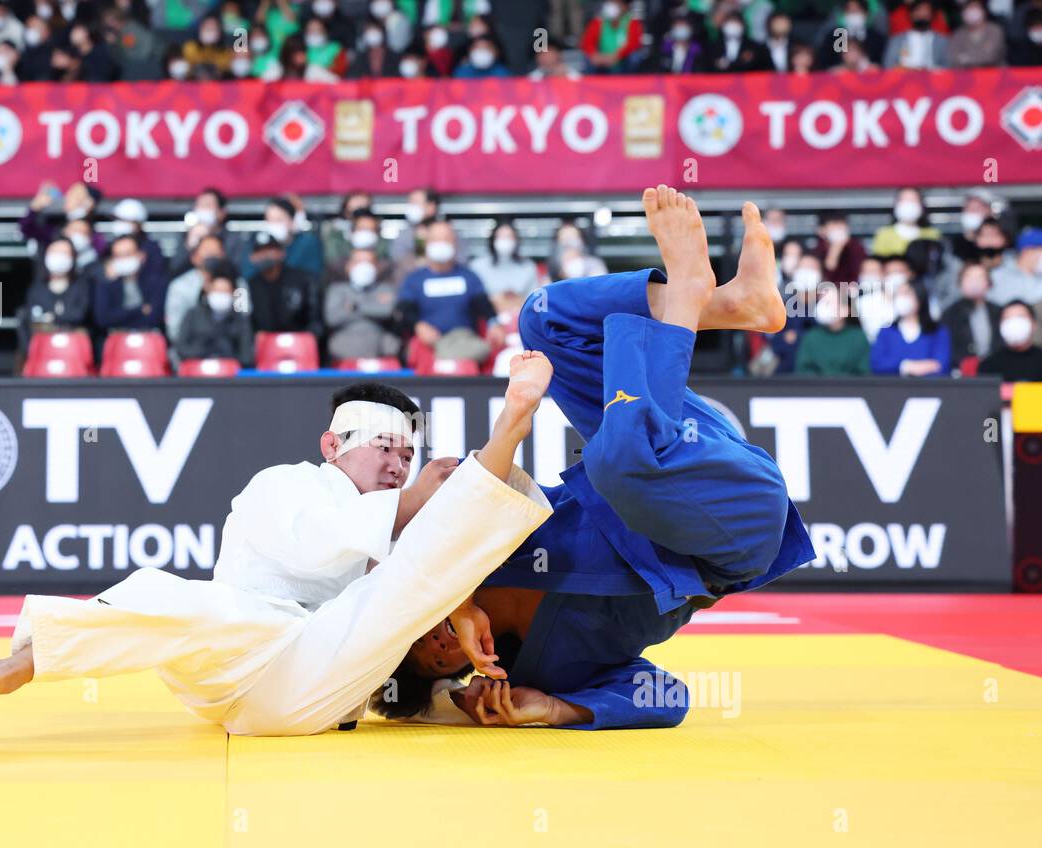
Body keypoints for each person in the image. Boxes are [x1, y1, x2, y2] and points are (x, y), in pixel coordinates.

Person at [372, 187, 812, 729]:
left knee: (542, 320)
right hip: (733, 529)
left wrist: (454, 590)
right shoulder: (549, 670)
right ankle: (686, 296)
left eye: (422, 637)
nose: (439, 643)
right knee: (616, 458)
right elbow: (666, 696)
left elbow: (450, 476)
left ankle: (731, 305)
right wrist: (557, 707)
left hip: (690, 446)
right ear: (463, 671)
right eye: (439, 661)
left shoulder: (465, 550)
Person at [0, 371, 553, 737]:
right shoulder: (283, 485)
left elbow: (399, 608)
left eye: (407, 455)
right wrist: (412, 505)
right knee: (165, 592)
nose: (399, 465)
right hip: (232, 663)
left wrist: (462, 642)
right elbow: (315, 544)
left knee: (403, 586)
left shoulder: (396, 521)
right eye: (385, 448)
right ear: (332, 445)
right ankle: (18, 667)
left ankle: (507, 433)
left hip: (313, 693)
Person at [397, 220, 496, 364]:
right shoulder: (414, 279)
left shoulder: (469, 277)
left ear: (455, 243)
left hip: (464, 340)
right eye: (436, 239)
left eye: (446, 239)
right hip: (427, 344)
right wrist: (418, 326)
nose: (441, 244)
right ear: (427, 243)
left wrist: (494, 324)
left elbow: (485, 307)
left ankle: (447, 355)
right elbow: (404, 311)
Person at [174, 260, 256, 368]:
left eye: (225, 291)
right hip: (196, 371)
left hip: (231, 373)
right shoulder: (192, 315)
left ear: (233, 293)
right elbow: (181, 349)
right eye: (217, 290)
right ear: (208, 291)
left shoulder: (241, 319)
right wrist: (205, 351)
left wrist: (225, 354)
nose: (220, 295)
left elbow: (247, 356)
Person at [324, 248, 402, 362]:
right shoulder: (337, 289)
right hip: (343, 351)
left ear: (377, 267)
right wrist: (373, 307)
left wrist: (355, 307)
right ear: (349, 266)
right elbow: (332, 318)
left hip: (381, 349)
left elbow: (388, 311)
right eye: (359, 262)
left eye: (368, 262)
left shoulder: (386, 289)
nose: (364, 267)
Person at [245, 232, 323, 345]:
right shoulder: (247, 286)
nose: (265, 255)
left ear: (281, 253)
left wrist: (307, 339)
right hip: (264, 346)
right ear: (252, 257)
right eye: (260, 252)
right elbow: (244, 323)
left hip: (300, 344)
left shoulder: (304, 280)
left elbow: (315, 320)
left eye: (269, 250)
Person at [16, 238, 92, 353]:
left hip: (74, 349)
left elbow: (79, 315)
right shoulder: (37, 288)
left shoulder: (83, 286)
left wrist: (52, 318)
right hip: (42, 349)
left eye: (64, 253)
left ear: (73, 257)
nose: (59, 257)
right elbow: (32, 318)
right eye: (55, 252)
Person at [870, 280, 951, 376]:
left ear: (920, 297)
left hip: (928, 385)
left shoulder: (937, 331)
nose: (901, 299)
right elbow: (877, 364)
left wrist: (898, 367)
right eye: (898, 294)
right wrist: (905, 366)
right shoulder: (886, 331)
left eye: (906, 294)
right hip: (892, 385)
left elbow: (940, 365)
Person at [92, 235, 166, 332]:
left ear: (141, 255)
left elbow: (154, 318)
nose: (123, 259)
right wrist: (140, 310)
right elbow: (103, 319)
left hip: (150, 335)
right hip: (116, 336)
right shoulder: (107, 283)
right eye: (118, 256)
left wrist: (121, 317)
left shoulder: (156, 281)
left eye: (128, 254)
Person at [793, 286, 872, 376]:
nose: (822, 307)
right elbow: (803, 371)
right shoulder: (811, 337)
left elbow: (863, 372)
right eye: (821, 301)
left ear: (845, 310)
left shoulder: (859, 338)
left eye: (828, 303)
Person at [941, 263, 1002, 365]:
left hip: (995, 368)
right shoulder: (950, 314)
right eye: (969, 277)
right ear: (960, 283)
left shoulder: (998, 312)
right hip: (961, 371)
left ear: (988, 283)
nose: (974, 282)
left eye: (979, 277)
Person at [979, 301, 1042, 382]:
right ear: (1000, 325)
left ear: (1034, 324)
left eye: (1020, 317)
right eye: (1008, 318)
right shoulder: (988, 366)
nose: (1015, 324)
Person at [871, 187, 940, 258]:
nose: (908, 205)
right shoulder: (884, 234)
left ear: (921, 205)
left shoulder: (932, 234)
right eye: (904, 200)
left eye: (913, 200)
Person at [580, 2, 643, 73]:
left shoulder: (632, 22)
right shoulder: (599, 21)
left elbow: (634, 44)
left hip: (622, 61)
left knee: (634, 57)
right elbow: (586, 42)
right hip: (602, 61)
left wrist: (617, 56)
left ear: (625, 7)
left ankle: (631, 79)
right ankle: (591, 79)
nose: (612, 5)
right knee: (588, 58)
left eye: (616, 2)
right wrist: (595, 55)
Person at [884, 2, 948, 69]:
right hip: (905, 74)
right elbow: (888, 64)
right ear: (911, 14)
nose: (921, 15)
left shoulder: (941, 41)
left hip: (932, 74)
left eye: (925, 11)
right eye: (918, 10)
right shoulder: (897, 40)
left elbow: (947, 66)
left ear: (931, 14)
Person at [947, 0, 1005, 68]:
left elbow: (990, 57)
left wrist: (966, 58)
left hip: (993, 73)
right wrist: (981, 54)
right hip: (967, 74)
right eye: (968, 9)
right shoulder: (958, 34)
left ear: (983, 11)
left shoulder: (994, 30)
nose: (971, 12)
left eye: (974, 7)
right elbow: (954, 58)